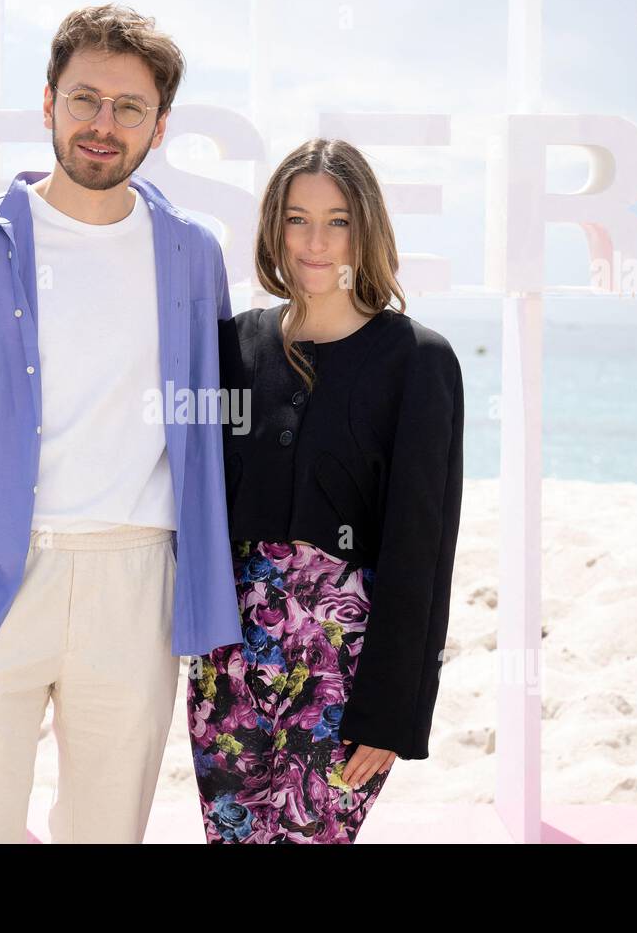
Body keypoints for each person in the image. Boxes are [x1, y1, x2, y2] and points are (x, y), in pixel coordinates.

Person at [0, 4, 241, 844]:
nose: (102, 125)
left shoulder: (194, 254)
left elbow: (216, 425)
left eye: (129, 108)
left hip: (135, 582)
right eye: (85, 100)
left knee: (105, 832)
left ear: (159, 128)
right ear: (47, 104)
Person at [186, 138, 465, 843]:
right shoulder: (234, 347)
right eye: (296, 218)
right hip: (227, 662)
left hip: (344, 672)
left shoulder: (416, 362)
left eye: (337, 220)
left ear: (366, 228)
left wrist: (395, 709)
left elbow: (422, 551)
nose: (315, 242)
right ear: (273, 227)